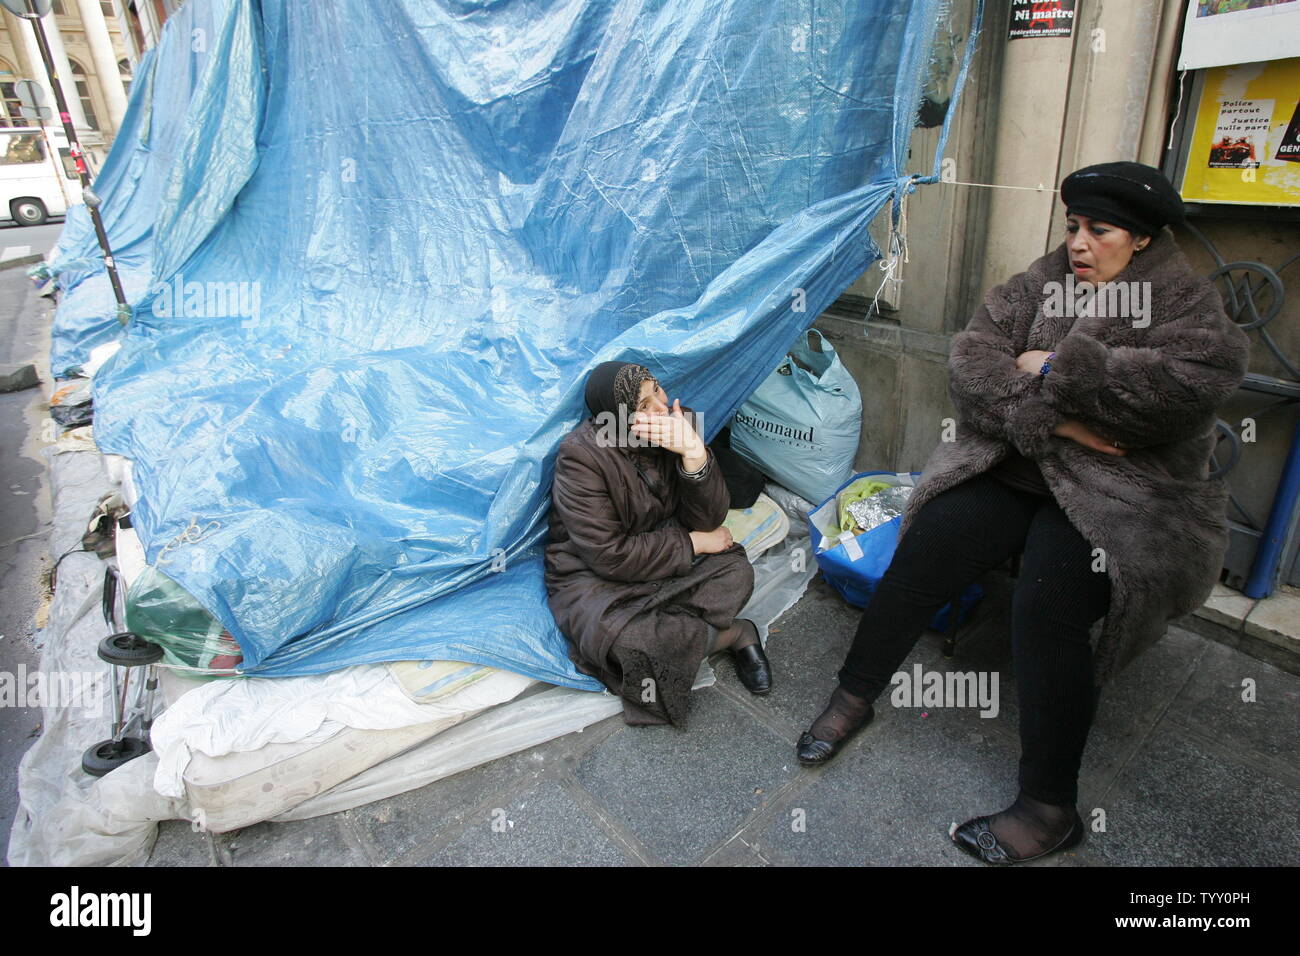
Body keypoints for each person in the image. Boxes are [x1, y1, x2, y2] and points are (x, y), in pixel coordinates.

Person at [794, 161, 1251, 863]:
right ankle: (853, 696)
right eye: (1074, 226)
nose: (1079, 243)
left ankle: (1049, 808)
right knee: (928, 545)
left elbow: (1179, 396)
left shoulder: (1184, 304)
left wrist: (1053, 364)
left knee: (1048, 605)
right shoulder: (1044, 280)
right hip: (1018, 461)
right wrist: (1060, 421)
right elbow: (972, 362)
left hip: (1118, 490)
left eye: (1100, 231)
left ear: (1141, 239)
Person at [545, 361, 773, 727]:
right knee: (627, 640)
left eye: (658, 390)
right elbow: (609, 555)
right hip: (596, 575)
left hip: (663, 557)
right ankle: (732, 634)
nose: (660, 407)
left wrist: (694, 455)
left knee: (736, 571)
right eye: (643, 405)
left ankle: (672, 638)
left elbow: (709, 519)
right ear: (617, 416)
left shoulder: (678, 426)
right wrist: (693, 543)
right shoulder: (582, 456)